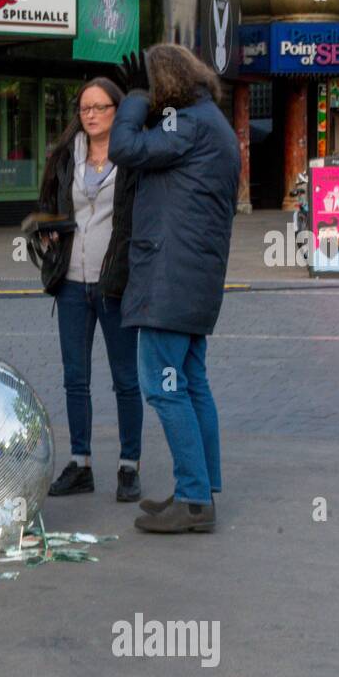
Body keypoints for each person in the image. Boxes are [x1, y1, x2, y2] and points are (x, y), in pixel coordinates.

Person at [108, 44, 240, 534]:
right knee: (191, 382)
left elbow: (125, 150)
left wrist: (134, 102)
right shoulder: (213, 123)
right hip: (196, 282)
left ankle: (194, 497)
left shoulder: (187, 124)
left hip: (169, 282)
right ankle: (202, 488)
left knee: (162, 387)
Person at [35, 77, 143, 502]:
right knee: (75, 378)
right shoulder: (66, 157)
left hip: (115, 283)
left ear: (118, 111)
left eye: (100, 107)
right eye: (85, 108)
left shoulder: (133, 156)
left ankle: (128, 466)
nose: (92, 115)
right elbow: (48, 206)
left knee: (125, 379)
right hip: (72, 283)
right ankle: (80, 463)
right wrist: (46, 233)